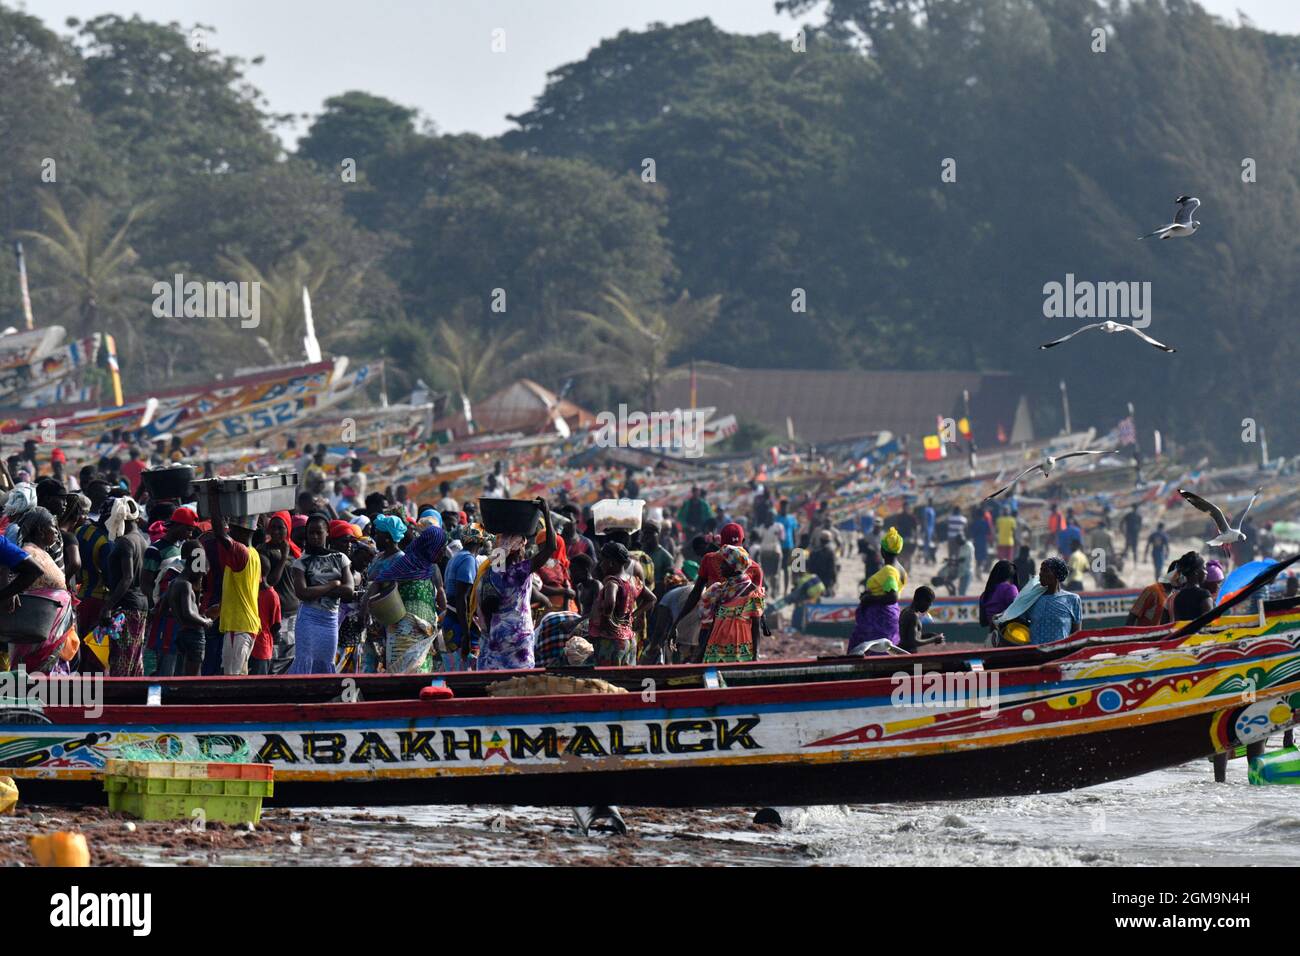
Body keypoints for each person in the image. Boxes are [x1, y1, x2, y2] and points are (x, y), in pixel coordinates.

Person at [476, 497, 555, 670]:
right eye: (523, 546)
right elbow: (551, 547)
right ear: (517, 548)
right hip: (519, 636)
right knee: (519, 685)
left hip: (496, 635)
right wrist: (546, 513)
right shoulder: (520, 571)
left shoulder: (490, 571)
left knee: (494, 684)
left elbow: (484, 606)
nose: (525, 550)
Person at [368, 520, 447, 673]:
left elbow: (438, 595)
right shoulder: (407, 563)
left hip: (424, 636)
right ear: (431, 547)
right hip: (403, 634)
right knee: (402, 676)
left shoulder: (430, 568)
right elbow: (378, 583)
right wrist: (367, 608)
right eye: (441, 548)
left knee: (421, 676)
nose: (443, 552)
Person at [290, 514, 353, 674]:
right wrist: (333, 584)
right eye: (311, 533)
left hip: (330, 619)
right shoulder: (301, 562)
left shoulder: (340, 558)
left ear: (327, 533)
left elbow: (348, 591)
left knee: (325, 662)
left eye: (319, 532)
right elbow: (302, 593)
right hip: (308, 618)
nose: (315, 537)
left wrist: (316, 589)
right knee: (305, 660)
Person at [102, 496, 150, 676]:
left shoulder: (124, 542)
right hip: (140, 605)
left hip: (127, 607)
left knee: (121, 659)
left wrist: (107, 607)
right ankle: (135, 699)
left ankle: (118, 700)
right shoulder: (142, 540)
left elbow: (127, 577)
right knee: (135, 659)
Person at [212, 510, 263, 676]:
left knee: (231, 679)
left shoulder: (242, 552)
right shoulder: (253, 553)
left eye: (232, 529)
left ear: (242, 531)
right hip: (243, 625)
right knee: (239, 676)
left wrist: (214, 499)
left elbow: (220, 534)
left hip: (240, 626)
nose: (230, 532)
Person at [588, 541, 653, 665]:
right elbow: (651, 599)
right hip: (629, 639)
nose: (601, 565)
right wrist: (633, 615)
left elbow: (610, 602)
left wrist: (607, 620)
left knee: (608, 681)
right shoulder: (634, 581)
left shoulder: (612, 582)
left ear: (611, 562)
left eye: (603, 561)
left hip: (610, 642)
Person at [698, 545, 764, 663]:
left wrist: (756, 656)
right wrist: (701, 653)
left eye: (725, 563)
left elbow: (755, 627)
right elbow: (713, 624)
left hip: (740, 654)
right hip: (715, 653)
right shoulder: (722, 590)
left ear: (735, 567)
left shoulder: (752, 592)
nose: (721, 566)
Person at [849, 527, 907, 651]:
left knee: (869, 651)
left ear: (882, 550)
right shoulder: (901, 569)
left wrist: (868, 598)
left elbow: (892, 596)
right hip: (891, 616)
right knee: (886, 651)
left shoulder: (889, 571)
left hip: (879, 619)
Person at [258, 511, 300, 674]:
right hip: (276, 614)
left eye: (280, 528)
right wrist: (283, 557)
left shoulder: (294, 551)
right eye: (272, 527)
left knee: (289, 657)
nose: (275, 531)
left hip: (293, 613)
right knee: (275, 658)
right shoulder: (264, 551)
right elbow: (270, 582)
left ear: (288, 528)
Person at [163, 539, 214, 676]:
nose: (202, 577)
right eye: (202, 573)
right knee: (193, 679)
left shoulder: (174, 583)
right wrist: (206, 621)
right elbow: (188, 613)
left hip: (182, 633)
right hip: (193, 635)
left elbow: (161, 609)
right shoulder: (185, 585)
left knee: (181, 676)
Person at [443, 525, 490, 671]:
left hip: (453, 618)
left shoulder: (457, 557)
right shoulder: (468, 560)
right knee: (465, 672)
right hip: (459, 622)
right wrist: (466, 634)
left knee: (455, 668)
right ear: (480, 542)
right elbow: (461, 598)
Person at [1027, 557, 1082, 645]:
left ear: (1057, 574)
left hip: (1059, 654)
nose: (1041, 574)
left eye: (1045, 571)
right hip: (1034, 654)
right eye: (1041, 570)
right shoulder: (1033, 598)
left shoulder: (1072, 600)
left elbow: (1076, 636)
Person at [978, 560, 1020, 639]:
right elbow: (1017, 612)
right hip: (1009, 636)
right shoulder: (1010, 589)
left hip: (992, 636)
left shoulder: (985, 594)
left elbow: (983, 622)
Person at [898, 586, 946, 652]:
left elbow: (909, 638)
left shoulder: (906, 611)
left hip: (906, 654)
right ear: (921, 600)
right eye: (928, 603)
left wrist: (929, 636)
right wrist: (934, 639)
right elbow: (913, 642)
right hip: (909, 656)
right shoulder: (912, 616)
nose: (928, 607)